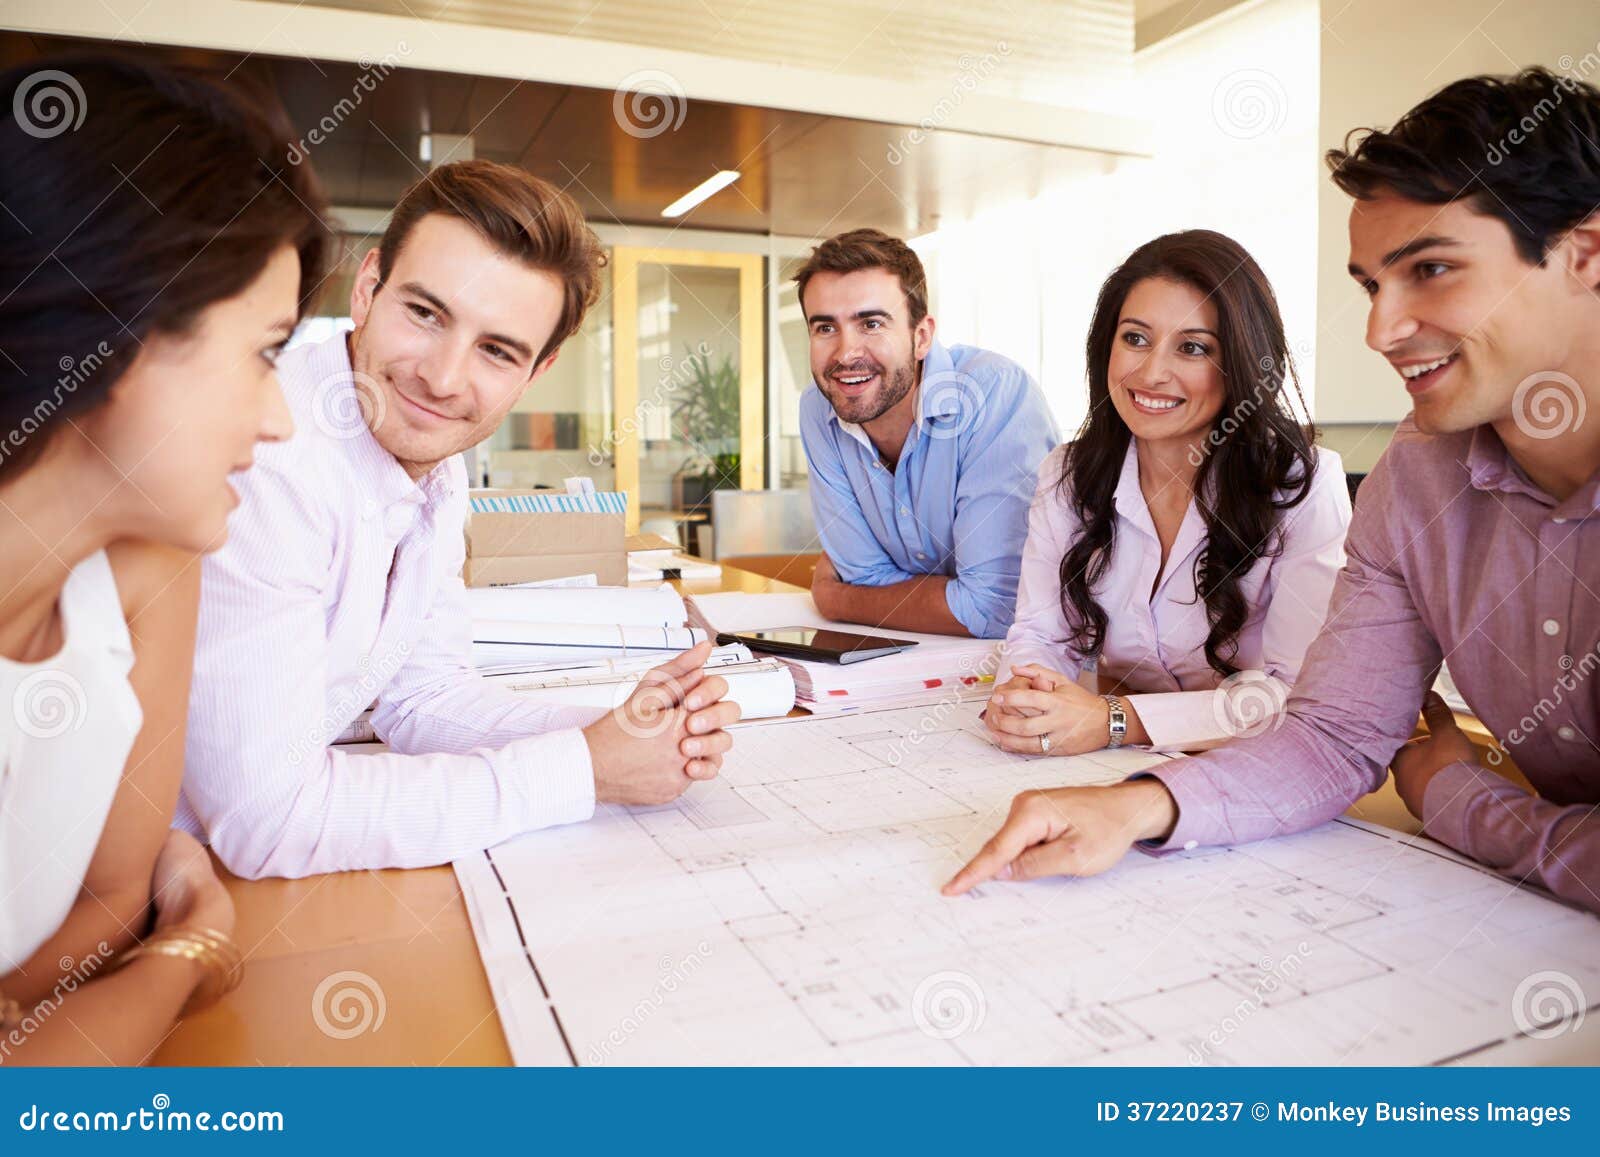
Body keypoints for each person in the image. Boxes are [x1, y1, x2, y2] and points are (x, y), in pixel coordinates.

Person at [946, 68, 1600, 915]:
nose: (1380, 330)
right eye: (1371, 286)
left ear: (1586, 255)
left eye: (1433, 268)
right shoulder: (1417, 475)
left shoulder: (1310, 480)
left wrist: (1461, 799)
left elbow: (1298, 706)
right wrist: (1135, 806)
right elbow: (1334, 736)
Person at [180, 159, 740, 880]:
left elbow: (423, 698)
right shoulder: (271, 454)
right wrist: (586, 768)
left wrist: (621, 734)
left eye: (497, 351)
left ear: (537, 372)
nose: (442, 378)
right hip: (138, 888)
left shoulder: (436, 466)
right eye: (425, 313)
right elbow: (268, 820)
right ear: (368, 287)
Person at [0, 55, 329, 1062]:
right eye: (265, 351)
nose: (280, 420)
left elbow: (109, 903)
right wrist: (189, 950)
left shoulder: (150, 564)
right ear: (118, 332)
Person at [986, 231, 1351, 759]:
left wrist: (1116, 720)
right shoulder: (1068, 472)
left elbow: (1296, 691)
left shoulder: (1304, 483)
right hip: (1118, 758)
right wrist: (1027, 695)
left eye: (1193, 348)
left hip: (1253, 765)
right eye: (1135, 338)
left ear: (1243, 363)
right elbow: (1042, 634)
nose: (1152, 372)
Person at [795, 228, 1059, 638]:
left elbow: (994, 607)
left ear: (921, 337)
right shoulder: (818, 408)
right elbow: (864, 576)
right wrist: (938, 599)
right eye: (825, 328)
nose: (846, 354)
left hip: (1033, 666)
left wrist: (838, 601)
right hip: (911, 659)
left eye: (871, 323)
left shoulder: (993, 394)